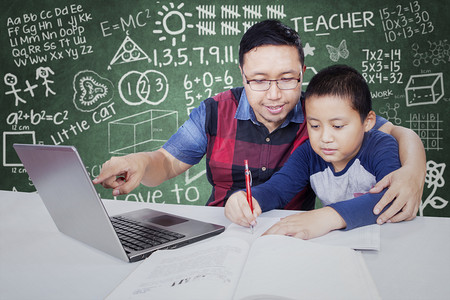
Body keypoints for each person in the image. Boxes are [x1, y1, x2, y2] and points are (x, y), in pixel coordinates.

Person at [93, 19, 425, 225]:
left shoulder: (322, 110)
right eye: (260, 80)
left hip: (290, 233)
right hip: (223, 227)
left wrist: (412, 172)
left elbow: (397, 133)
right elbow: (165, 162)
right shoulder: (214, 110)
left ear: (302, 75)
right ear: (243, 75)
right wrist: (137, 161)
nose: (275, 95)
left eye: (286, 79)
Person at [225, 64, 402, 238]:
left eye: (338, 126)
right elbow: (277, 189)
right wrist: (245, 199)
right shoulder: (308, 154)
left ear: (368, 122)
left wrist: (327, 216)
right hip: (339, 243)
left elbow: (392, 197)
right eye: (315, 125)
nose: (325, 137)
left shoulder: (381, 147)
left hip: (390, 238)